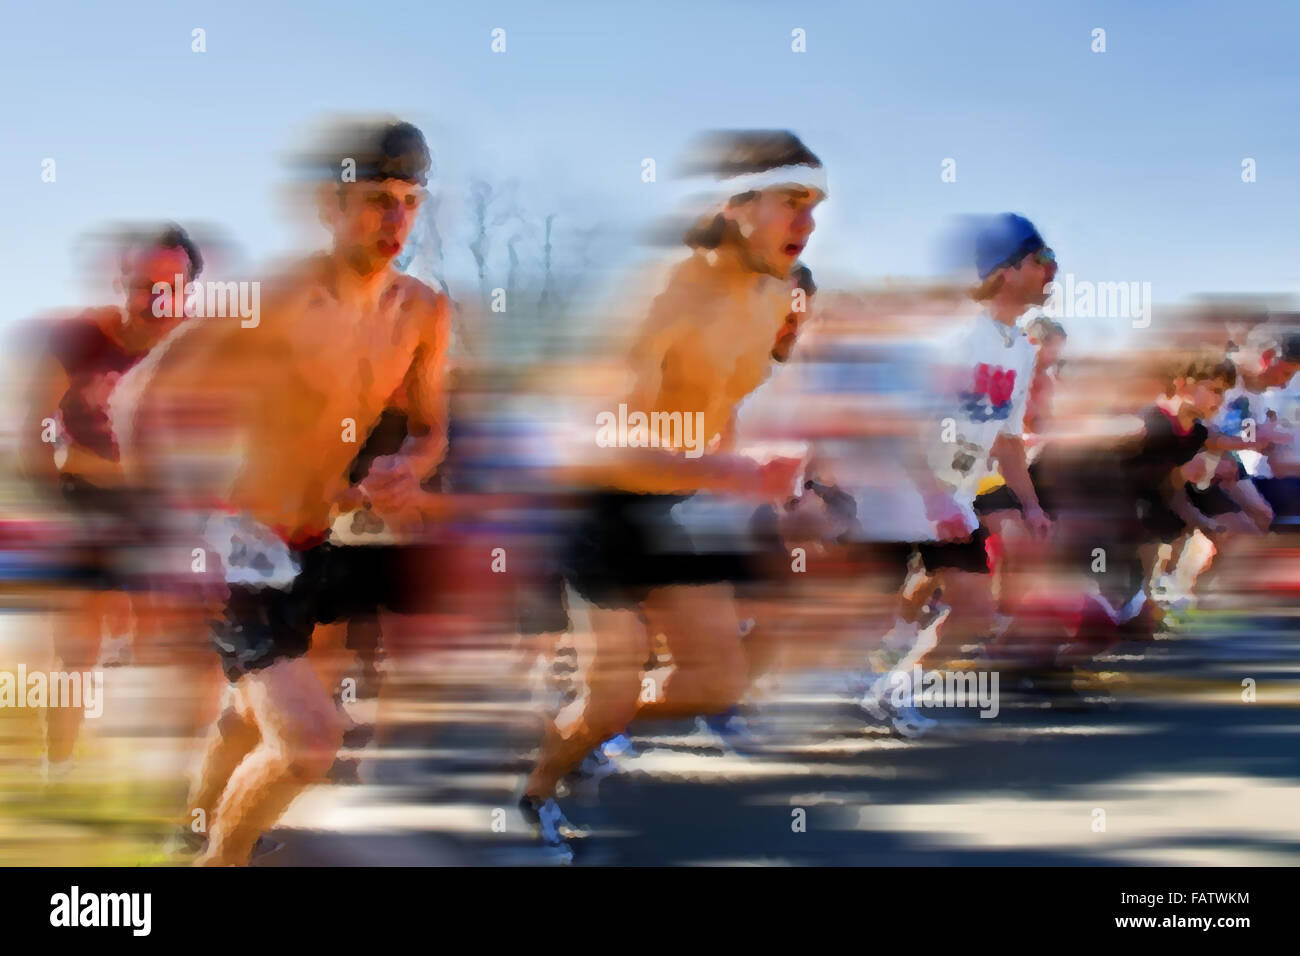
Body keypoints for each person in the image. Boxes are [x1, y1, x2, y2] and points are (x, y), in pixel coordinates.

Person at [120, 118, 452, 866]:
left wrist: (409, 469)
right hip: (236, 544)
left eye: (408, 200)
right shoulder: (266, 298)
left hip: (322, 543)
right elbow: (144, 397)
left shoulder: (425, 312)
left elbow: (432, 429)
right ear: (329, 207)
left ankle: (193, 823)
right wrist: (175, 528)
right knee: (309, 742)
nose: (395, 219)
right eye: (375, 199)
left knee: (253, 718)